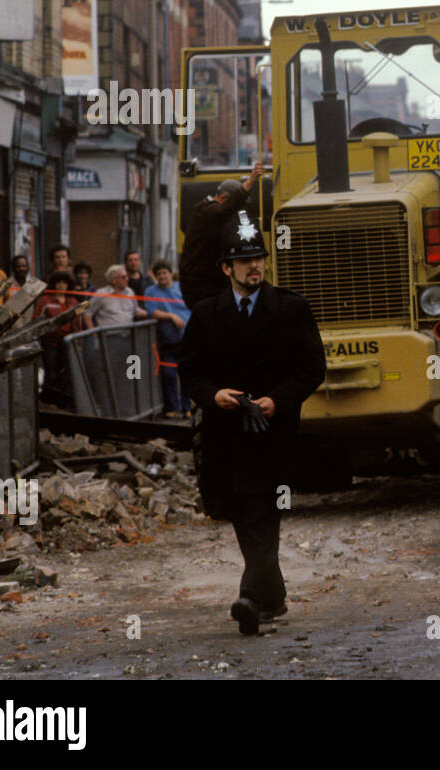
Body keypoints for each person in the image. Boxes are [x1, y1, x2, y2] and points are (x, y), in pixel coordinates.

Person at [178, 210, 326, 636]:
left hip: (272, 436)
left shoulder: (292, 309)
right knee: (241, 513)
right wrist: (214, 395)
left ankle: (250, 599)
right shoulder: (207, 315)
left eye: (258, 258)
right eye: (244, 261)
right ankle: (273, 595)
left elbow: (312, 369)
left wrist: (277, 400)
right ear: (227, 268)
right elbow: (189, 371)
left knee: (263, 512)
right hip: (225, 438)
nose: (254, 267)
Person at [180, 161, 264, 308]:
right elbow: (222, 212)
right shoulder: (206, 211)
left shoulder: (212, 217)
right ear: (224, 198)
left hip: (208, 284)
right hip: (200, 286)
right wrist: (250, 182)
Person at [33, 270, 88, 407]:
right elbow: (36, 319)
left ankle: (64, 403)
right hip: (49, 343)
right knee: (51, 371)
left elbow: (77, 322)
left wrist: (77, 340)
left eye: (64, 282)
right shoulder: (45, 300)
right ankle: (49, 403)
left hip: (67, 344)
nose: (61, 285)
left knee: (66, 373)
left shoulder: (73, 301)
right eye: (58, 282)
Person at [144, 260, 192, 417]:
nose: (162, 276)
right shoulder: (151, 291)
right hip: (168, 341)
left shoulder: (182, 288)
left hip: (187, 338)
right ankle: (173, 407)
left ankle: (187, 408)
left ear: (170, 273)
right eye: (159, 274)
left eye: (164, 273)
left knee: (186, 374)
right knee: (169, 373)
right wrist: (171, 316)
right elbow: (152, 312)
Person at [88, 264, 148, 329]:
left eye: (127, 276)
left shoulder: (130, 292)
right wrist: (94, 336)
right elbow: (87, 313)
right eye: (124, 277)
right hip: (109, 337)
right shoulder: (101, 294)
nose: (127, 279)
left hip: (129, 336)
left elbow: (135, 311)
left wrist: (152, 313)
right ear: (114, 280)